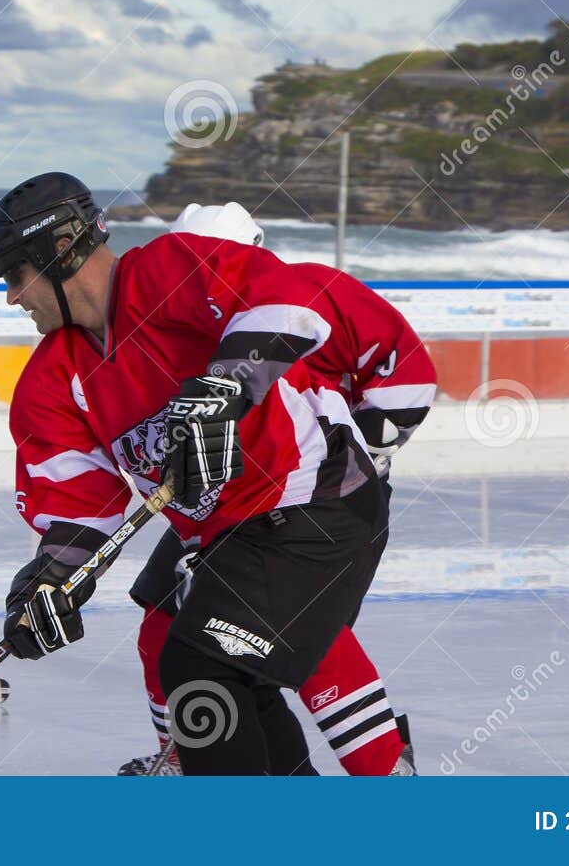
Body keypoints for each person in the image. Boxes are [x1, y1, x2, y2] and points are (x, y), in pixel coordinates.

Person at [0, 172, 398, 775]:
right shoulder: (53, 380)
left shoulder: (168, 271)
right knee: (227, 680)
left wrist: (226, 385)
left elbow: (288, 301)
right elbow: (78, 507)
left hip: (318, 499)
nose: (13, 298)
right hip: (230, 537)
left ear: (57, 252)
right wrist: (48, 584)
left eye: (15, 277)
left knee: (198, 668)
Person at [115, 201, 437, 775]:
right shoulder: (168, 316)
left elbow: (408, 376)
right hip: (227, 511)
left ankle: (386, 767)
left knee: (304, 638)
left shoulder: (309, 292)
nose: (197, 283)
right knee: (166, 615)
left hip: (317, 500)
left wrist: (347, 450)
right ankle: (190, 755)